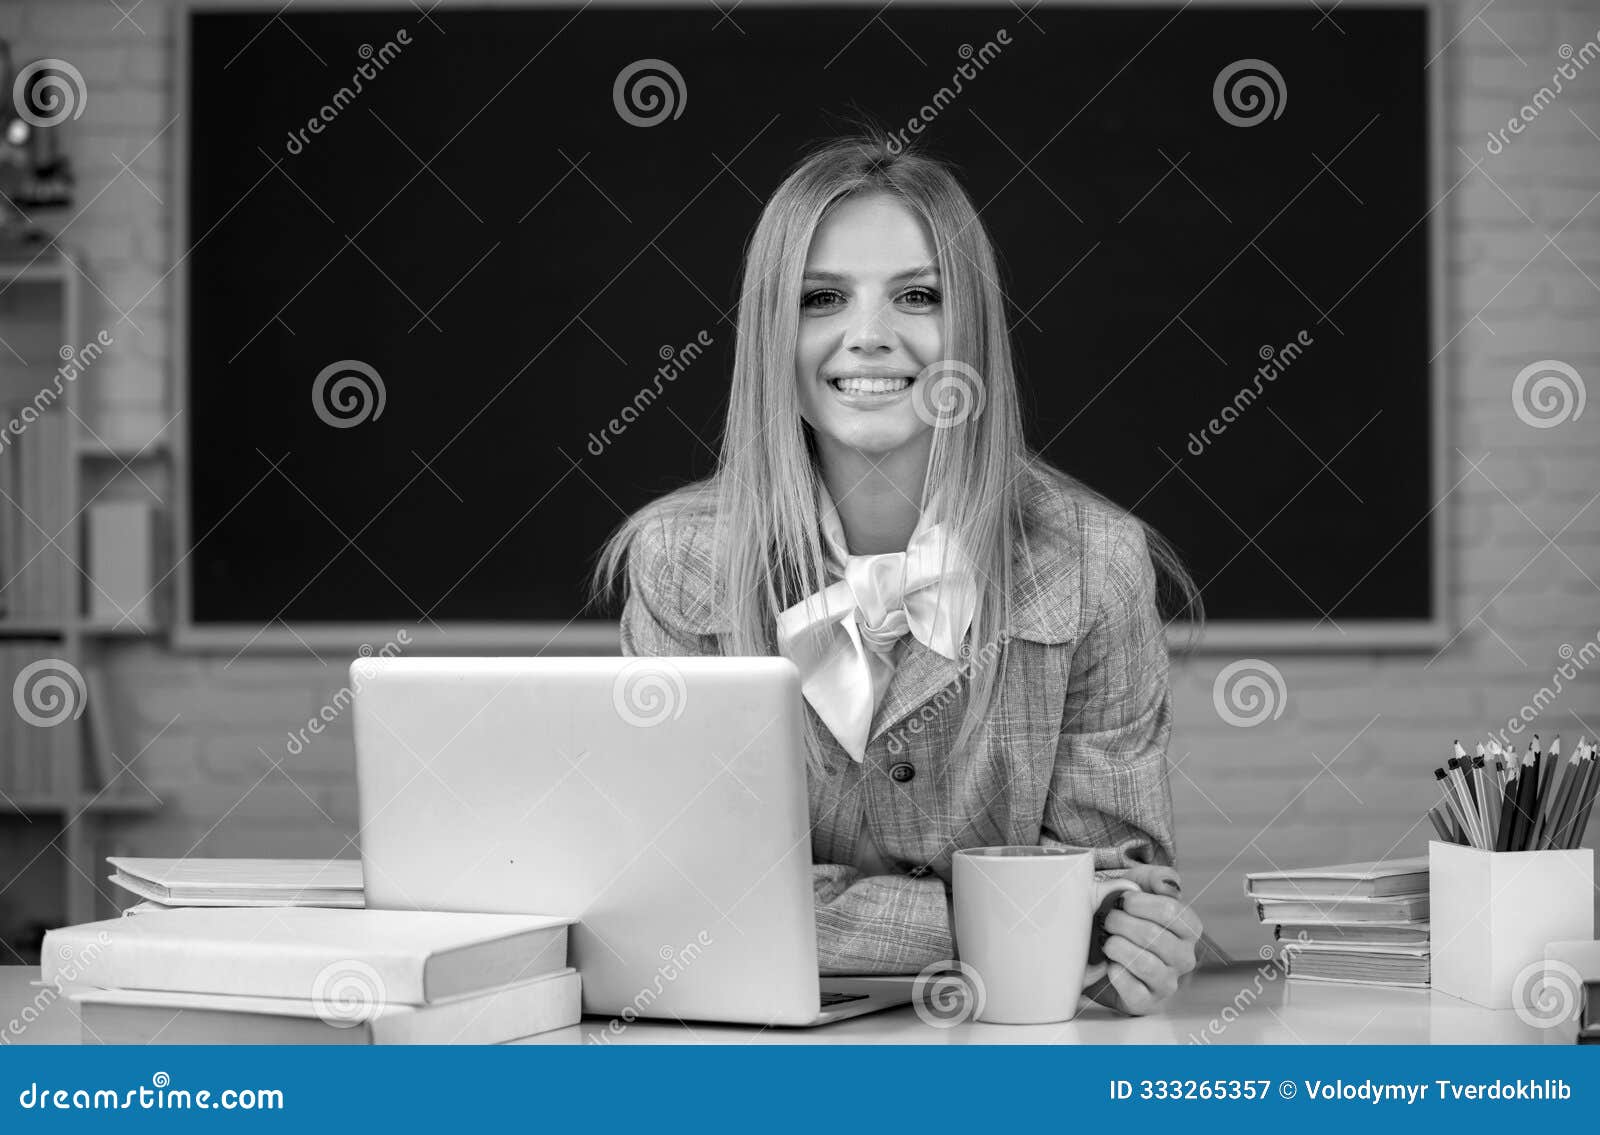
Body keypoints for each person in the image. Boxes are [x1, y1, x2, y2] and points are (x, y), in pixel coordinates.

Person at [597, 135, 1204, 1015]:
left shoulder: (1095, 566)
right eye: (821, 298)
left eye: (918, 296)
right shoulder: (676, 568)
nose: (871, 337)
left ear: (975, 335)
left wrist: (1131, 943)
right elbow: (682, 908)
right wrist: (994, 916)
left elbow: (1118, 915)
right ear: (773, 334)